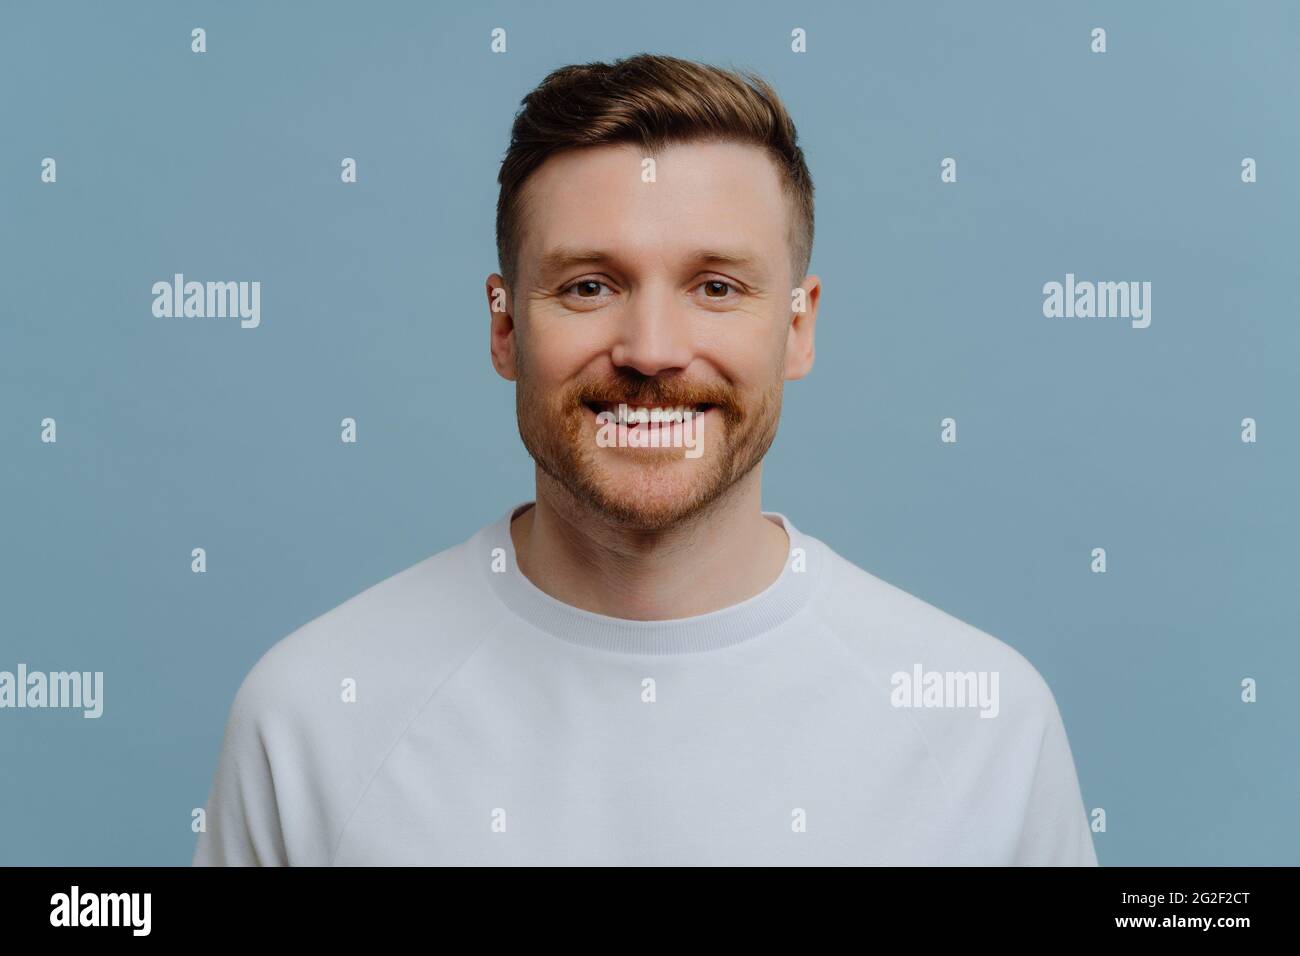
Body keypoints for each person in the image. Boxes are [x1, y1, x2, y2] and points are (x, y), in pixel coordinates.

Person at [194, 53, 1097, 866]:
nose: (653, 350)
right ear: (506, 327)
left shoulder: (984, 724)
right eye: (590, 286)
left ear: (799, 325)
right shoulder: (311, 716)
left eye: (716, 287)